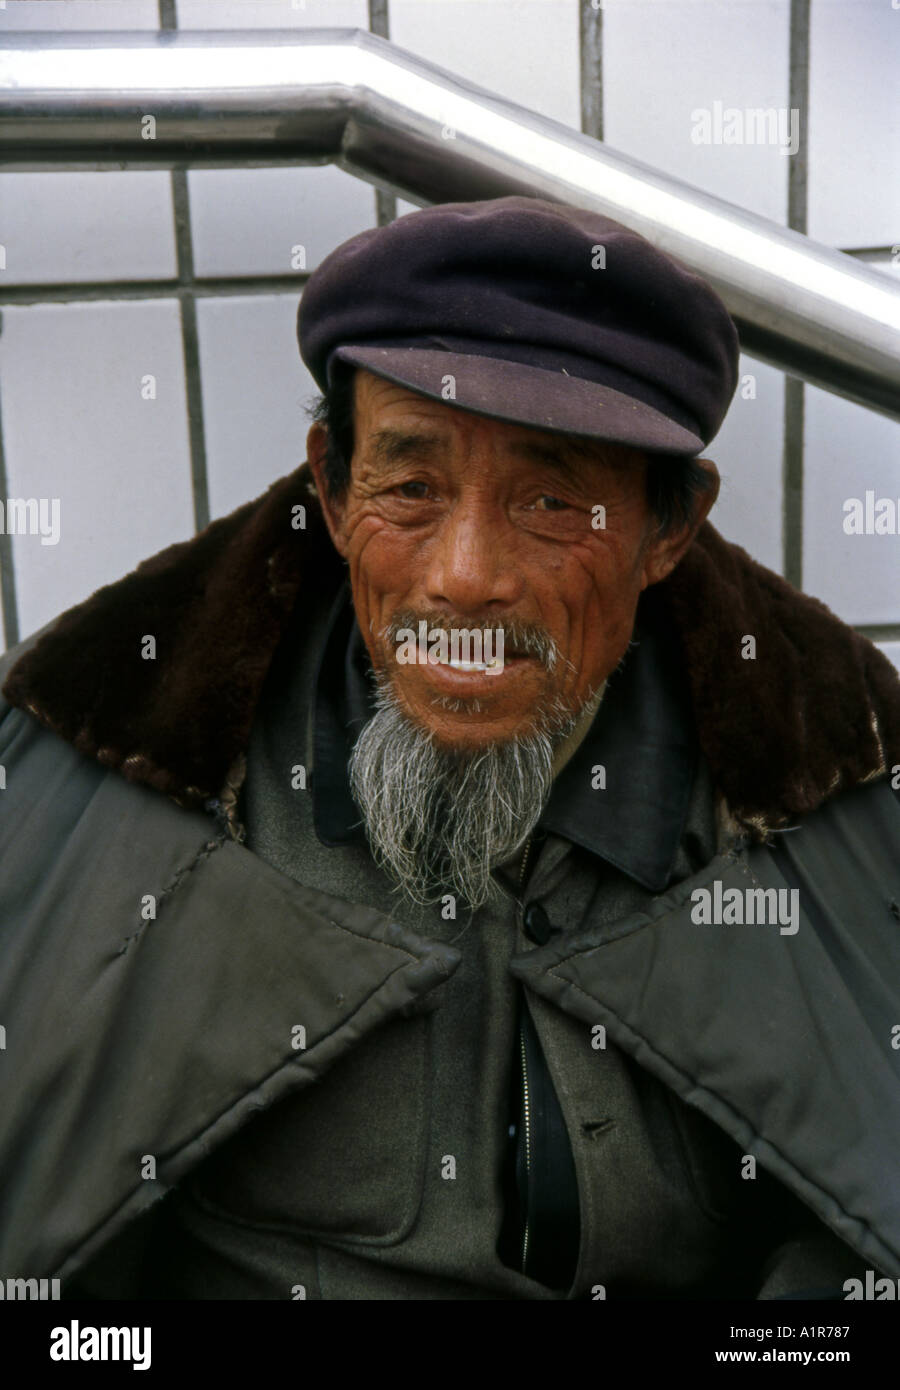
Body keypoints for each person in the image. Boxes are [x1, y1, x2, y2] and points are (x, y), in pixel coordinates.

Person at [1, 196, 899, 1301]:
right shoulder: (131, 789)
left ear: (669, 529)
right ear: (332, 489)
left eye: (553, 498)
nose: (464, 575)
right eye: (411, 488)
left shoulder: (828, 801)